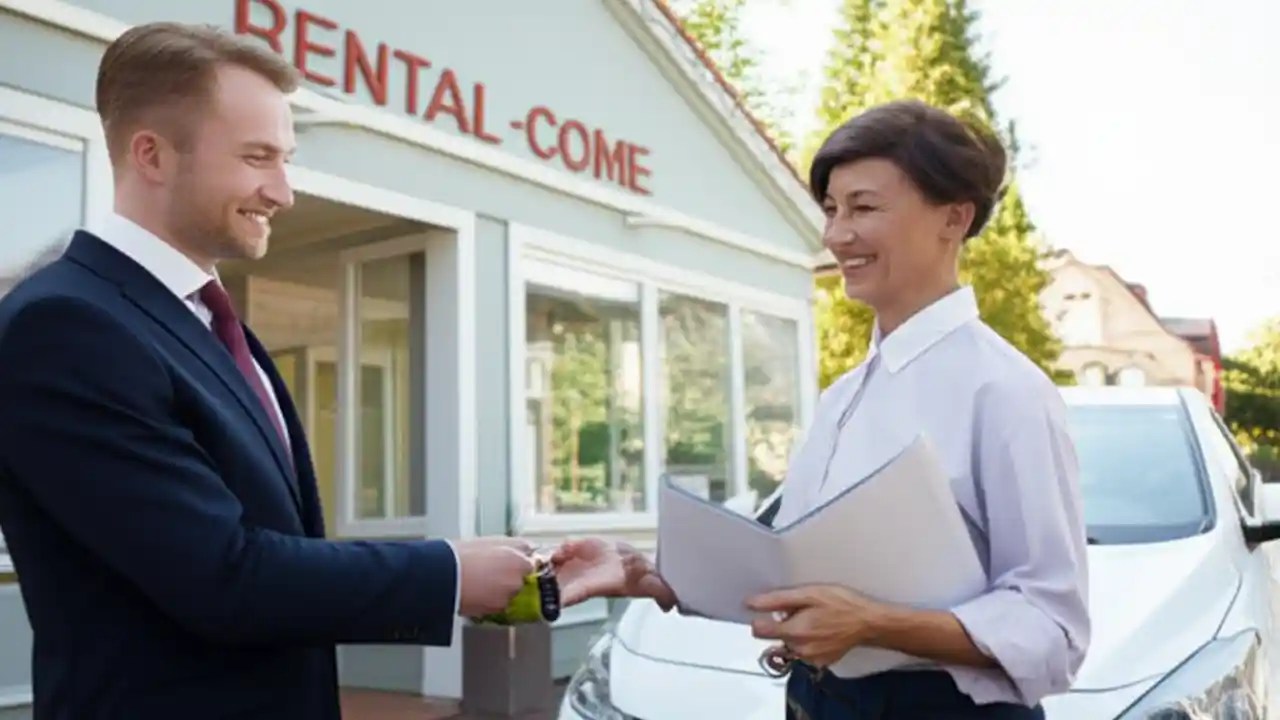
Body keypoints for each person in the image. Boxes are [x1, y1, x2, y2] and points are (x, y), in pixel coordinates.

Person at [0, 22, 541, 720]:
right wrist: (450, 573)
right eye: (259, 158)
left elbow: (276, 548)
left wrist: (523, 570)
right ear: (151, 155)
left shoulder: (208, 321)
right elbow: (221, 576)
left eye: (286, 159)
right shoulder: (66, 325)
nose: (283, 193)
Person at [556, 100, 1090, 720]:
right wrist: (650, 572)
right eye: (832, 210)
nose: (836, 235)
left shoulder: (1006, 392)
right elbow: (790, 570)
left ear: (954, 217)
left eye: (863, 207)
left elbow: (1053, 626)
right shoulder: (842, 397)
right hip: (815, 701)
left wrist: (876, 623)